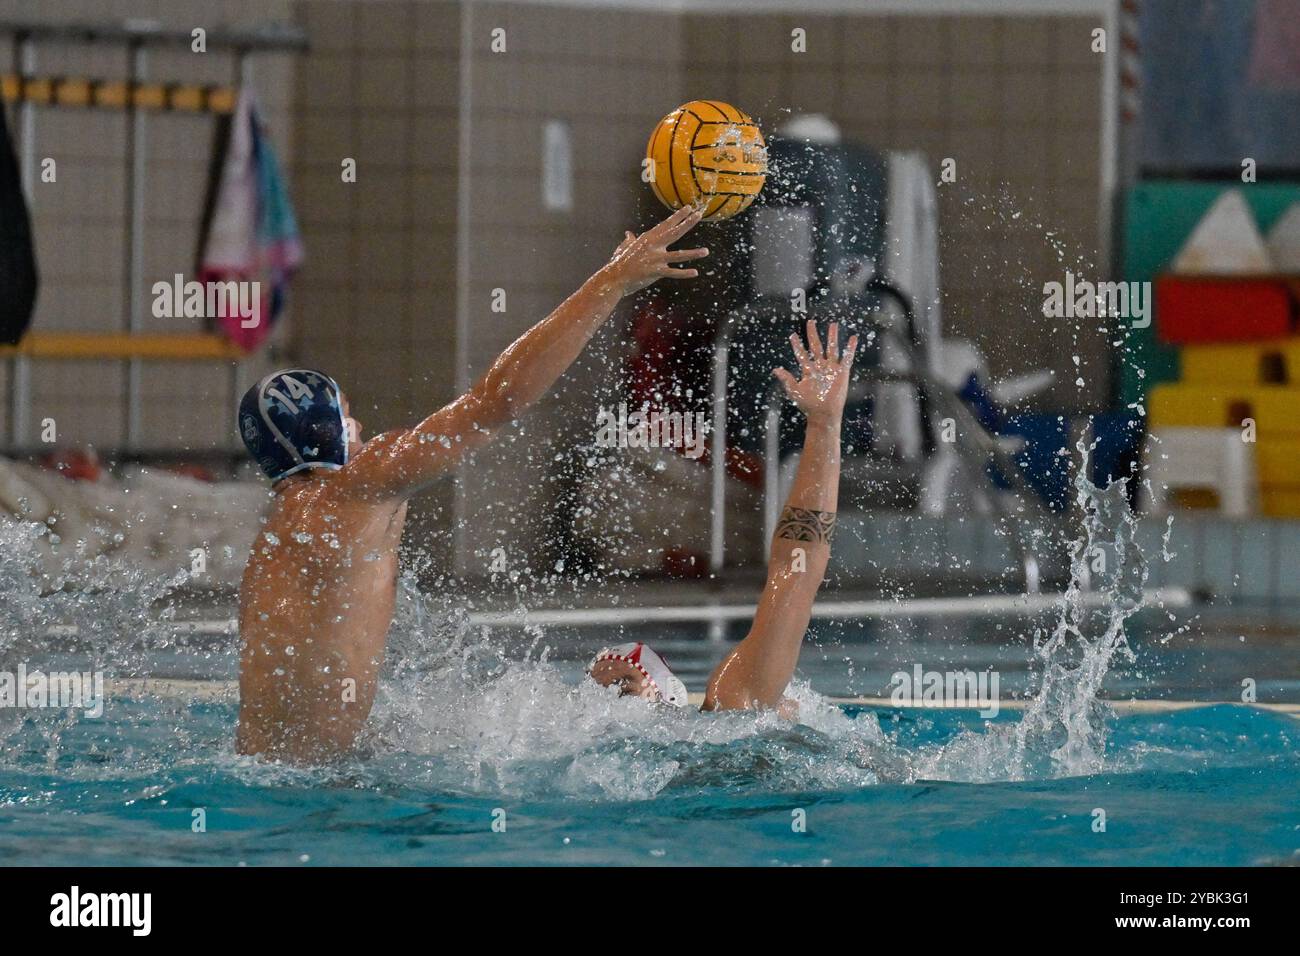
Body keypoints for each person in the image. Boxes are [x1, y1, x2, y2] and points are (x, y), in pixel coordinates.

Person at [235, 206, 708, 762]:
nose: (359, 427)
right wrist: (612, 281)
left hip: (262, 768)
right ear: (325, 429)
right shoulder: (358, 484)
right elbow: (497, 401)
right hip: (326, 791)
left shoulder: (273, 541)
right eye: (348, 415)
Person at [589, 319, 857, 715]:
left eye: (625, 681)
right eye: (601, 690)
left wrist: (823, 425)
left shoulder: (728, 705)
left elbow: (795, 575)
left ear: (667, 691)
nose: (612, 695)